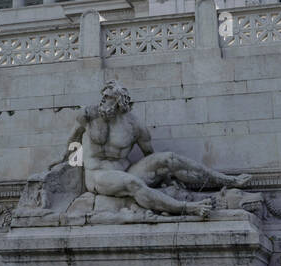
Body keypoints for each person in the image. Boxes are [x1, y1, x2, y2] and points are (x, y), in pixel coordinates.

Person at [57, 81, 252, 217]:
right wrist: (61, 161)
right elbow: (72, 140)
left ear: (119, 102)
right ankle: (188, 208)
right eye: (103, 97)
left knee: (169, 158)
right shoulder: (88, 115)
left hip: (125, 171)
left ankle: (226, 179)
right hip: (98, 176)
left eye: (108, 98)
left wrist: (164, 176)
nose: (103, 102)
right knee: (132, 183)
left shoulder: (134, 126)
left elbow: (150, 156)